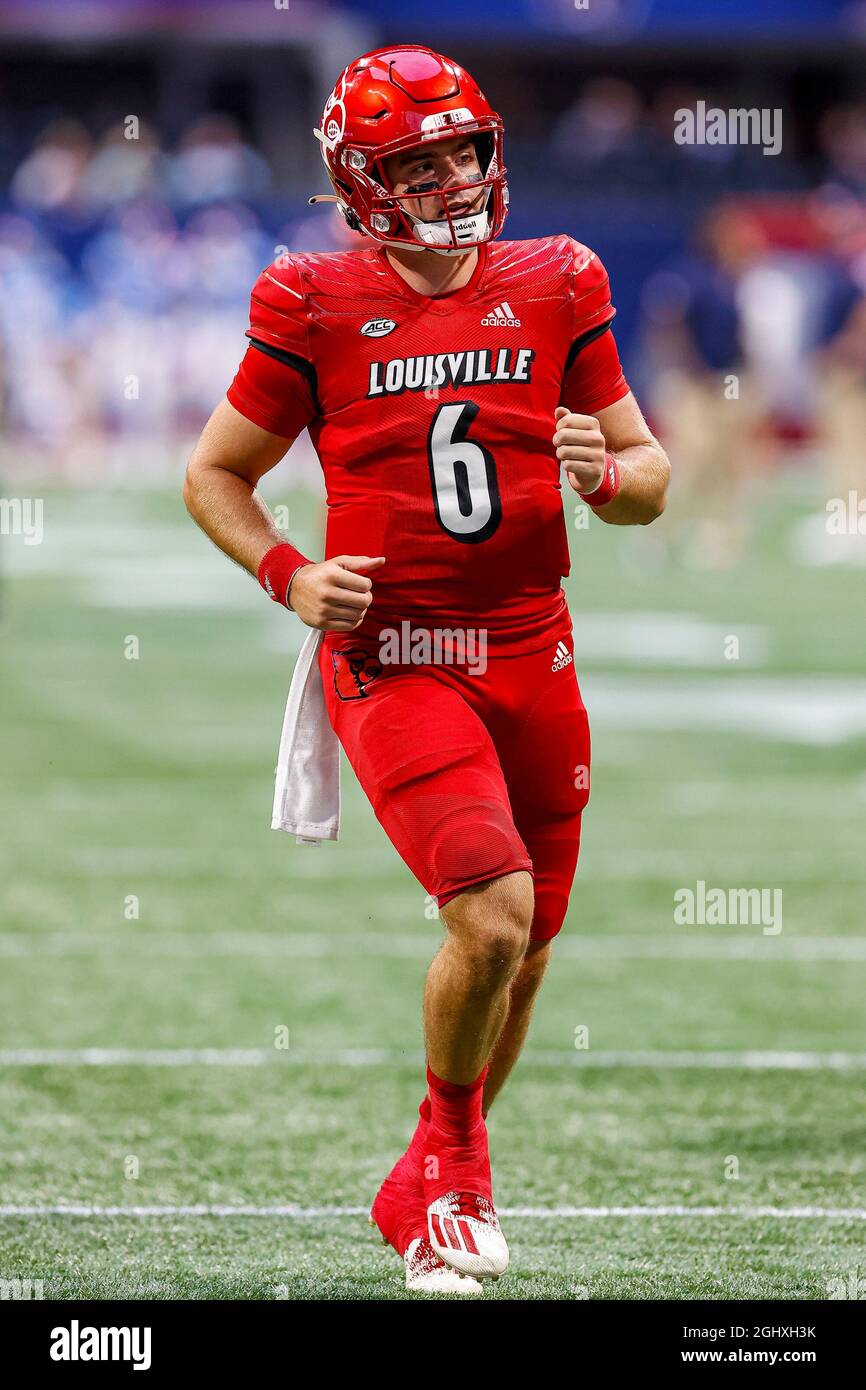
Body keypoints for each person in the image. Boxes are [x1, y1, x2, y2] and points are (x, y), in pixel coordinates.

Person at [183, 45, 669, 1295]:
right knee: (490, 912)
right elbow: (213, 474)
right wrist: (287, 572)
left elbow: (647, 478)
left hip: (532, 647)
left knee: (529, 942)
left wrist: (603, 477)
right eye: (419, 159)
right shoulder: (312, 299)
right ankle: (454, 1165)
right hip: (397, 655)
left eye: (462, 148)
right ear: (361, 179)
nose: (453, 175)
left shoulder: (558, 277)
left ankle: (425, 1167)